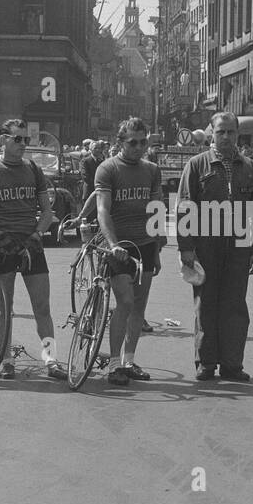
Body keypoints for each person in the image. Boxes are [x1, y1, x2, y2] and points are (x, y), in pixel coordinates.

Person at [0, 117, 67, 380]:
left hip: (31, 245)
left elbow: (47, 210)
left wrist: (37, 233)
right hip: (3, 245)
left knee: (42, 307)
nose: (23, 144)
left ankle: (50, 359)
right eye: (17, 139)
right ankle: (6, 359)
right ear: (3, 140)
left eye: (26, 140)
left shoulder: (33, 168)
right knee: (3, 307)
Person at [176, 111, 253, 382]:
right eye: (221, 132)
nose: (226, 137)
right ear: (211, 134)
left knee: (235, 306)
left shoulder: (250, 167)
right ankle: (206, 362)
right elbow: (184, 207)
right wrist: (186, 248)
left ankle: (232, 364)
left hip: (239, 245)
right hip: (206, 244)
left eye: (231, 132)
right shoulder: (197, 164)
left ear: (238, 134)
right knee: (206, 304)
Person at [94, 118, 166, 387]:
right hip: (118, 245)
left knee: (139, 305)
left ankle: (129, 360)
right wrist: (113, 244)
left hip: (145, 244)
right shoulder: (107, 168)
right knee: (124, 302)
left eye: (143, 142)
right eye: (132, 142)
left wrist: (157, 248)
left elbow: (156, 207)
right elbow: (102, 209)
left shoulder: (152, 169)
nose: (138, 147)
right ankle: (114, 364)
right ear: (120, 143)